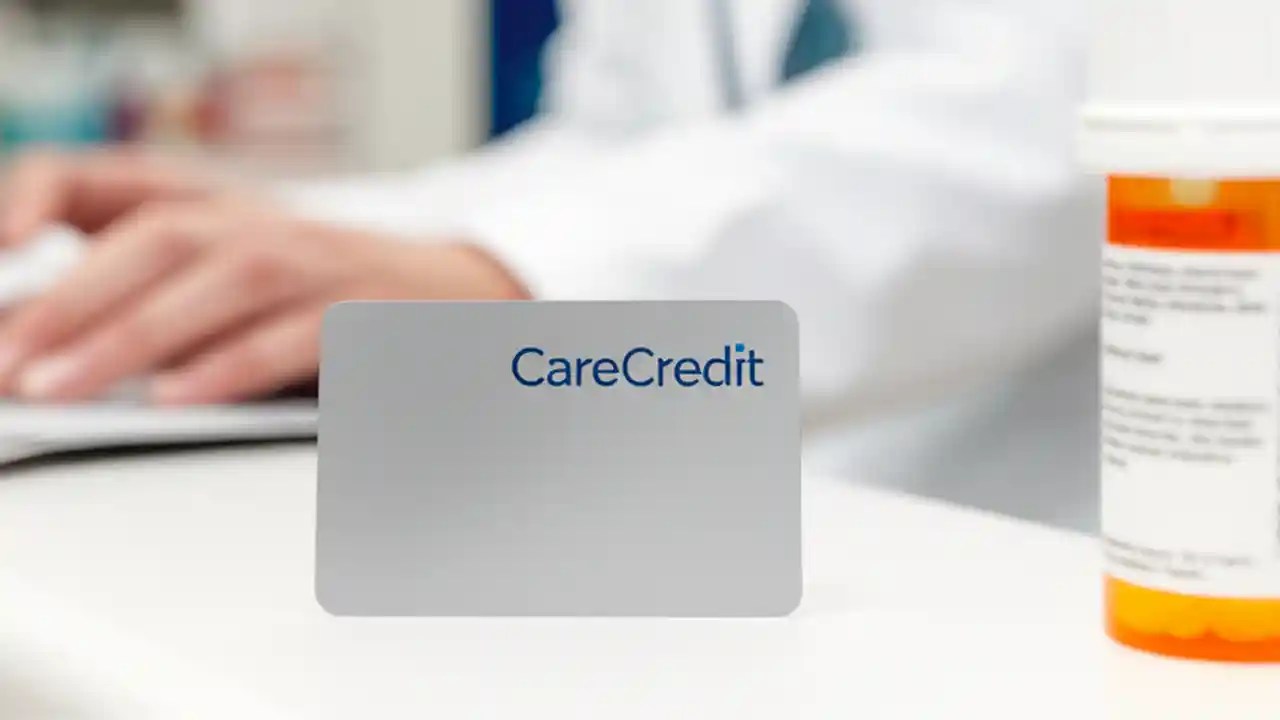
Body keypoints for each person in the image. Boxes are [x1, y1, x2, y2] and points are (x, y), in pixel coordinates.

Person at [0, 0, 1095, 420]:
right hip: (716, 519)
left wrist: (521, 275)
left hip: (1039, 555)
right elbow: (619, 147)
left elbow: (1090, 113)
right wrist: (270, 238)